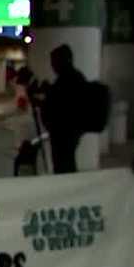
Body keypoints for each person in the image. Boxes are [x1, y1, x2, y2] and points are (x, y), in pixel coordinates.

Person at [41, 44, 88, 174]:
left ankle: (67, 187)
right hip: (66, 132)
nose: (52, 66)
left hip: (65, 132)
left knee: (63, 166)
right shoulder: (72, 77)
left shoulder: (69, 79)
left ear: (64, 60)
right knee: (65, 163)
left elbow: (62, 104)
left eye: (54, 62)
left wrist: (48, 93)